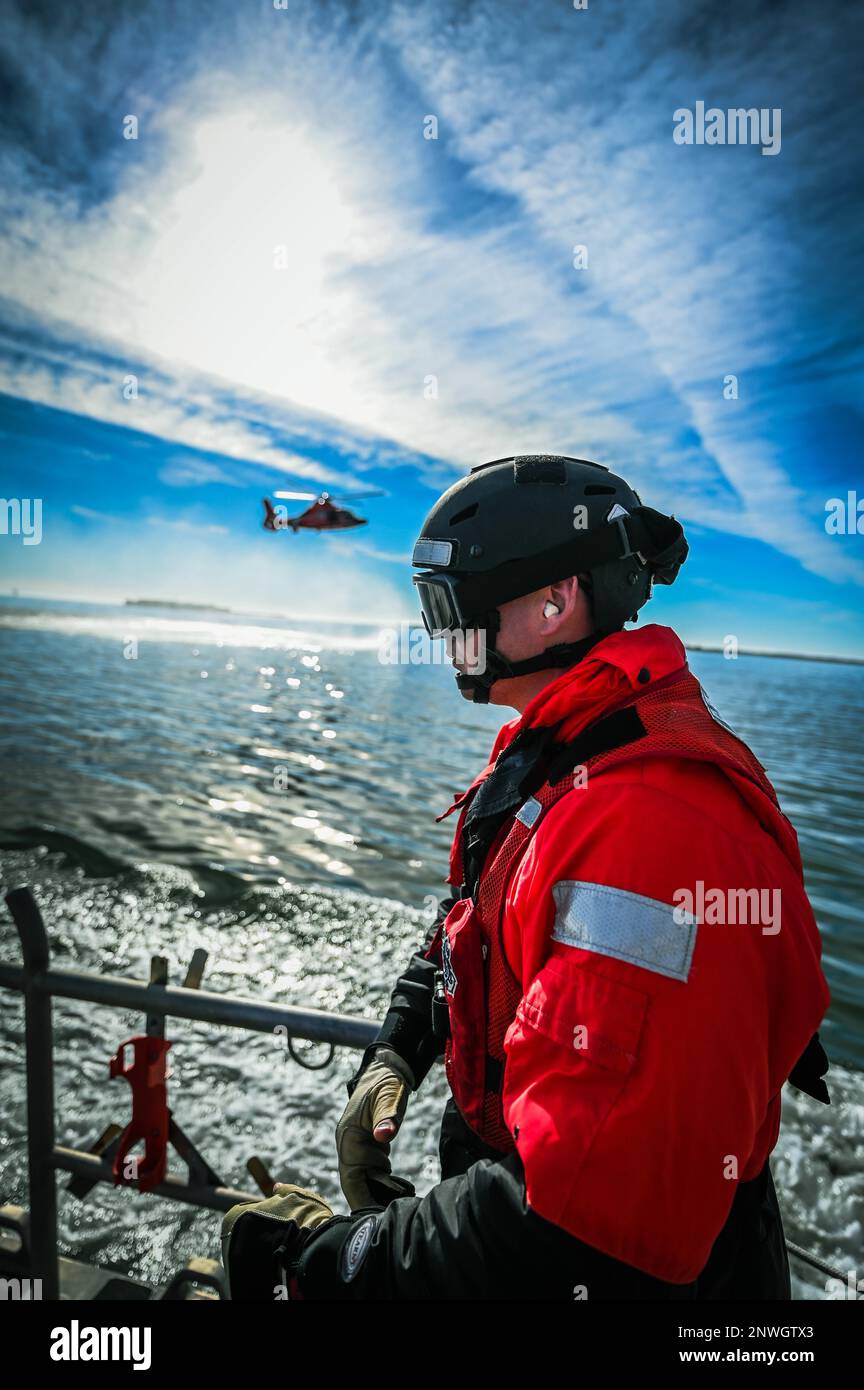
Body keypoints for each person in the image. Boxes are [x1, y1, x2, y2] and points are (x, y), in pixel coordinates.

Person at [228, 454, 831, 1300]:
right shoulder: (570, 747)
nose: (441, 633)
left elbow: (583, 1221)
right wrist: (398, 1051)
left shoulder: (653, 828)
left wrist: (328, 1258)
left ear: (557, 602)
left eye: (455, 605)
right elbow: (477, 914)